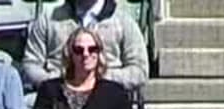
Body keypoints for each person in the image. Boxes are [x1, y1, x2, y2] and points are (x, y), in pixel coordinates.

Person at [21, 0, 149, 94]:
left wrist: (100, 78)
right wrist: (56, 82)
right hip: (58, 94)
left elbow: (139, 71)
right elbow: (30, 65)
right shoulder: (48, 19)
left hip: (107, 95)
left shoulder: (124, 21)